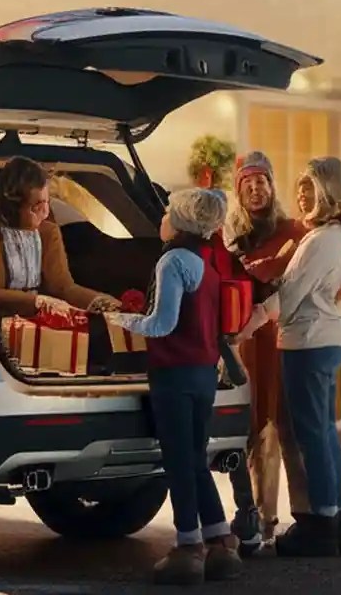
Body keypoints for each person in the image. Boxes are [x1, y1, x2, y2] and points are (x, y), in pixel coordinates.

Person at [106, 188, 242, 586]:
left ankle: (188, 547)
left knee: (177, 462)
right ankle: (221, 540)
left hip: (174, 374)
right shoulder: (207, 261)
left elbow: (162, 324)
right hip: (203, 374)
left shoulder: (172, 262)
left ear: (182, 220)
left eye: (167, 211)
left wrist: (123, 321)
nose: (161, 217)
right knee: (196, 459)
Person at [234, 156, 341, 557]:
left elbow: (289, 294)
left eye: (310, 189)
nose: (302, 197)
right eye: (299, 188)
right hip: (324, 338)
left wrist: (248, 324)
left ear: (328, 191)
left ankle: (318, 525)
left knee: (311, 436)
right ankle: (337, 520)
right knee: (324, 433)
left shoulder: (317, 240)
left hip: (308, 341)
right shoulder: (331, 235)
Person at [218, 152, 312, 554]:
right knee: (253, 430)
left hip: (282, 339)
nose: (257, 189)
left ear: (272, 188)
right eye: (248, 183)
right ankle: (260, 519)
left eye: (262, 182)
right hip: (246, 343)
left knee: (289, 427)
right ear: (239, 192)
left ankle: (308, 516)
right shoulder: (230, 239)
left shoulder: (292, 231)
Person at [0, 156, 121, 317]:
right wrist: (38, 301)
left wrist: (100, 303)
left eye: (47, 203)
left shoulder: (48, 233)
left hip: (41, 324)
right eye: (37, 207)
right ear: (13, 206)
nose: (45, 213)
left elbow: (63, 287)